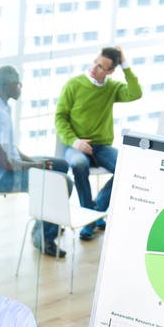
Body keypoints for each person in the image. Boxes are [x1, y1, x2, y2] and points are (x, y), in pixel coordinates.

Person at [0, 65, 71, 257]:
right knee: (63, 183)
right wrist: (36, 166)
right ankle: (44, 236)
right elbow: (5, 164)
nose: (20, 87)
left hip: (12, 166)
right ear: (7, 87)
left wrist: (35, 161)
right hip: (3, 177)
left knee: (61, 165)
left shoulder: (1, 107)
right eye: (17, 84)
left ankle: (45, 224)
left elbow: (10, 148)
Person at [55, 46, 142, 240]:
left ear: (111, 71)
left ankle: (93, 213)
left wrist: (125, 64)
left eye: (101, 67)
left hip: (101, 147)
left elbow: (136, 93)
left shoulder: (112, 88)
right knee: (78, 164)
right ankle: (91, 218)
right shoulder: (74, 84)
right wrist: (74, 141)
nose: (95, 68)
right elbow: (60, 118)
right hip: (75, 146)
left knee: (126, 168)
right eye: (95, 62)